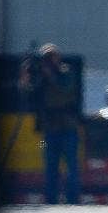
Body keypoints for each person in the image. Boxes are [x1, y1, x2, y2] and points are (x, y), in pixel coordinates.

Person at [19, 44, 81, 204]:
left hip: (68, 126)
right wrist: (26, 78)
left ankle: (72, 199)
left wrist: (51, 75)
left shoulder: (66, 72)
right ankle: (50, 199)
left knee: (71, 166)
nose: (48, 62)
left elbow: (66, 89)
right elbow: (29, 93)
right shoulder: (42, 76)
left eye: (50, 57)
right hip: (50, 128)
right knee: (50, 166)